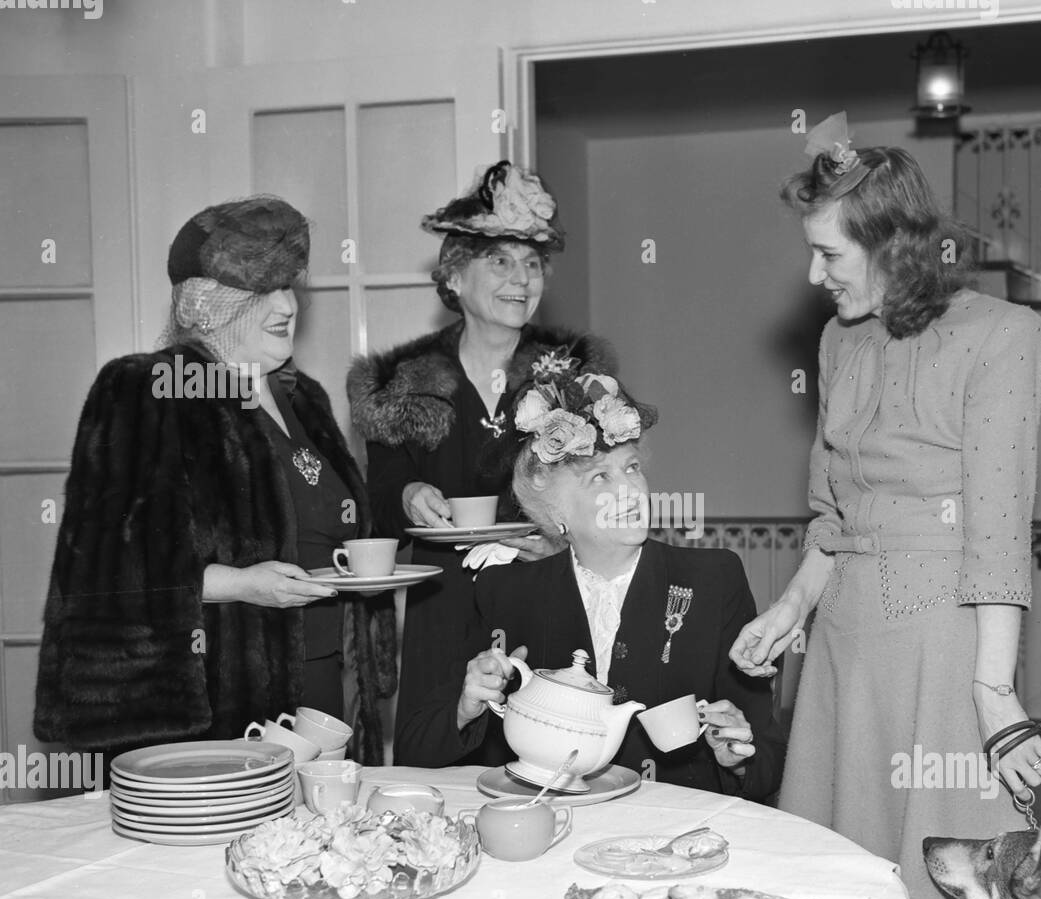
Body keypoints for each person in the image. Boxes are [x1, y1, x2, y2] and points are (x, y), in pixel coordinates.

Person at [729, 115, 1041, 899]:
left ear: (892, 245)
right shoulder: (840, 341)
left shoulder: (1002, 333)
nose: (813, 275)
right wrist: (792, 606)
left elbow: (996, 527)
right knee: (846, 891)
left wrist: (995, 692)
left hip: (946, 643)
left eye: (829, 253)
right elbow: (834, 510)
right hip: (845, 646)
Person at [35, 196, 395, 762]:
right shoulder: (148, 388)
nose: (285, 305)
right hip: (215, 696)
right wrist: (241, 583)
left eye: (289, 286)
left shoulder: (305, 399)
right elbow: (98, 574)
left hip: (325, 685)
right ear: (204, 305)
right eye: (261, 290)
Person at [397, 353, 785, 801]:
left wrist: (738, 755)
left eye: (632, 468)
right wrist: (466, 707)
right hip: (554, 830)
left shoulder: (712, 581)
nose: (629, 490)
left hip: (669, 833)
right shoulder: (506, 592)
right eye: (600, 476)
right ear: (556, 514)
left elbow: (768, 755)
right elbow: (415, 748)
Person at [347, 162, 617, 762]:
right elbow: (379, 493)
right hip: (441, 602)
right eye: (500, 261)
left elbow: (606, 492)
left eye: (532, 262)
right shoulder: (402, 382)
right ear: (454, 277)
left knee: (550, 759)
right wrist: (409, 491)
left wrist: (561, 536)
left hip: (543, 587)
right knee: (440, 759)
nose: (521, 278)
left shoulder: (577, 375)